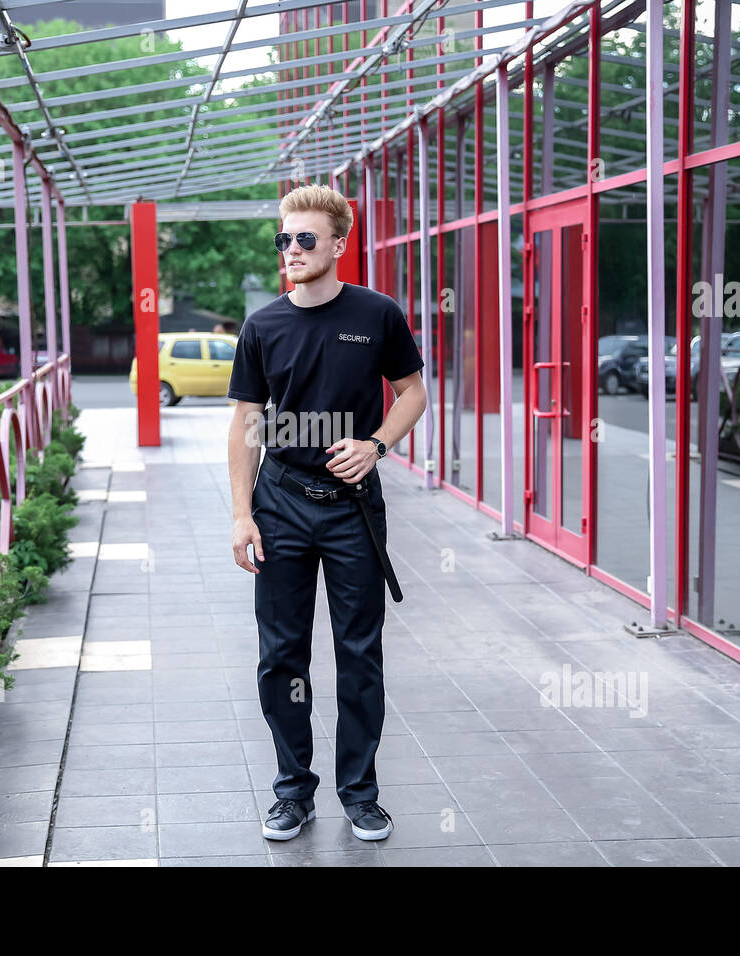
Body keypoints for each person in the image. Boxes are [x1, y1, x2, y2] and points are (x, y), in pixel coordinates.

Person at [226, 184, 427, 843]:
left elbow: (412, 392)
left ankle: (361, 795)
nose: (291, 250)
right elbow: (245, 425)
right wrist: (241, 514)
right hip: (280, 501)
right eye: (283, 239)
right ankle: (293, 792)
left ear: (339, 244)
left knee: (358, 653)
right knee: (281, 656)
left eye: (304, 239)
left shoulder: (376, 315)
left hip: (352, 510)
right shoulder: (262, 326)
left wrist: (376, 445)